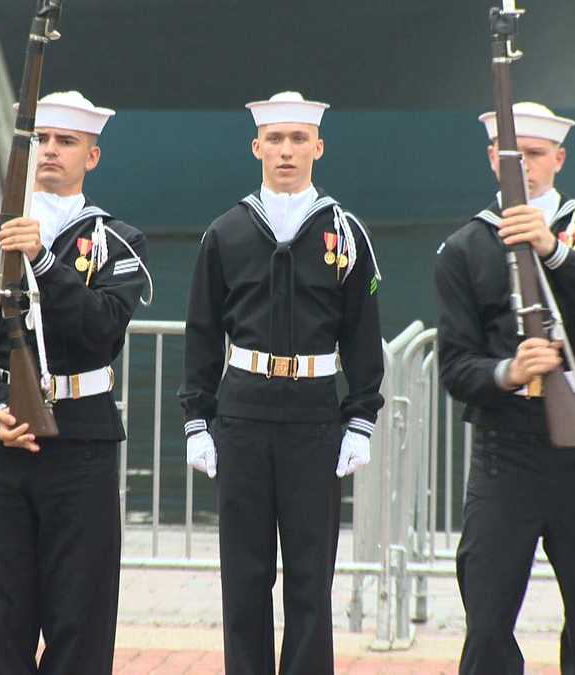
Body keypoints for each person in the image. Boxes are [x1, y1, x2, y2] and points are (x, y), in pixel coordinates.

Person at [0, 90, 152, 675]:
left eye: (66, 142)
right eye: (41, 140)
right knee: (1, 622)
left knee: (80, 624)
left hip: (81, 443)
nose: (50, 152)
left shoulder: (119, 242)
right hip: (2, 449)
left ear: (92, 156)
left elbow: (103, 331)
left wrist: (43, 263)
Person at [179, 91, 384, 675]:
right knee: (243, 577)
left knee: (310, 577)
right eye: (275, 139)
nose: (286, 151)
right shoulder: (225, 233)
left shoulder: (346, 235)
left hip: (316, 419)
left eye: (298, 139)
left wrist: (360, 419)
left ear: (318, 147)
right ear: (256, 148)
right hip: (242, 415)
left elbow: (363, 335)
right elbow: (201, 332)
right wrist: (198, 419)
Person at [433, 101, 575, 674]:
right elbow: (455, 367)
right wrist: (509, 372)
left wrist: (554, 251)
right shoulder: (465, 247)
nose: (522, 166)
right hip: (505, 450)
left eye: (534, 154)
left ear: (558, 159)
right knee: (489, 614)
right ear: (490, 160)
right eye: (510, 155)